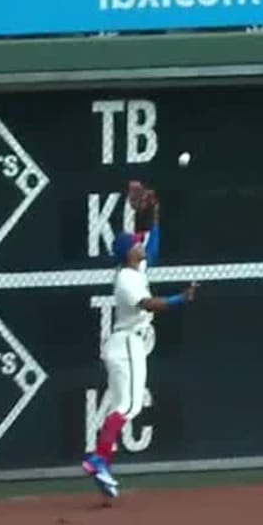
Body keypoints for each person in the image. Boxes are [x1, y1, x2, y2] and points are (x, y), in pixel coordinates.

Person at [82, 199, 197, 501]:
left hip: (125, 344)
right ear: (127, 253)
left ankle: (101, 462)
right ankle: (98, 459)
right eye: (135, 243)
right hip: (128, 343)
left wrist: (155, 210)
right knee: (129, 407)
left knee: (120, 405)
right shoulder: (125, 279)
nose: (140, 244)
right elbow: (148, 304)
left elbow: (154, 247)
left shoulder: (136, 268)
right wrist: (179, 299)